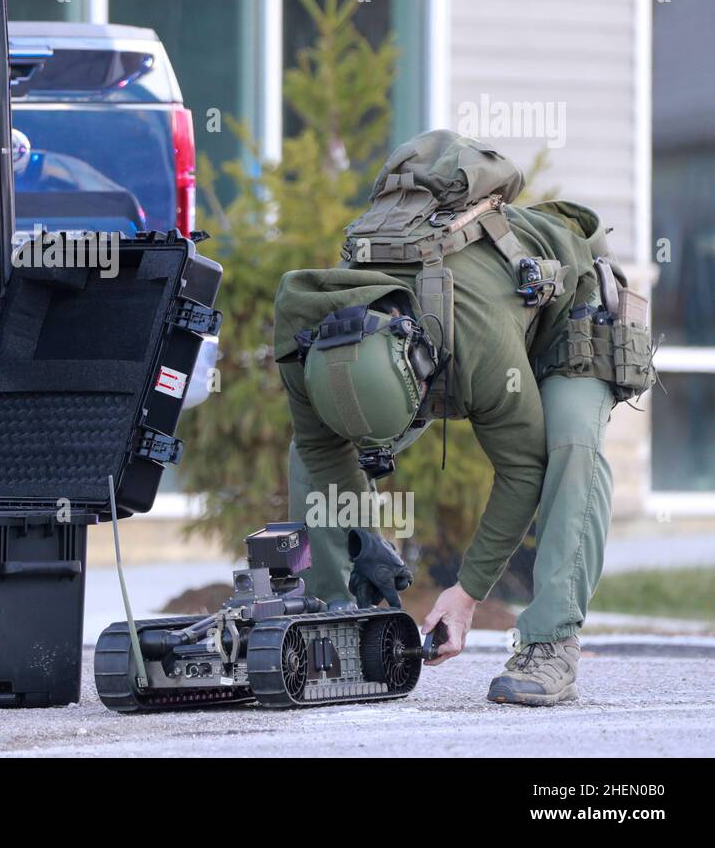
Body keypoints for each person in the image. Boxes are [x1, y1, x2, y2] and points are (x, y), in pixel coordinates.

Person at [274, 130, 655, 705]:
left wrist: (467, 591)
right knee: (307, 455)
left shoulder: (475, 352)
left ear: (423, 377)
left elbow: (522, 471)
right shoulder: (306, 330)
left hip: (567, 309)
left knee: (569, 450)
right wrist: (356, 543)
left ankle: (551, 645)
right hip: (456, 314)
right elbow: (324, 453)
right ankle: (336, 621)